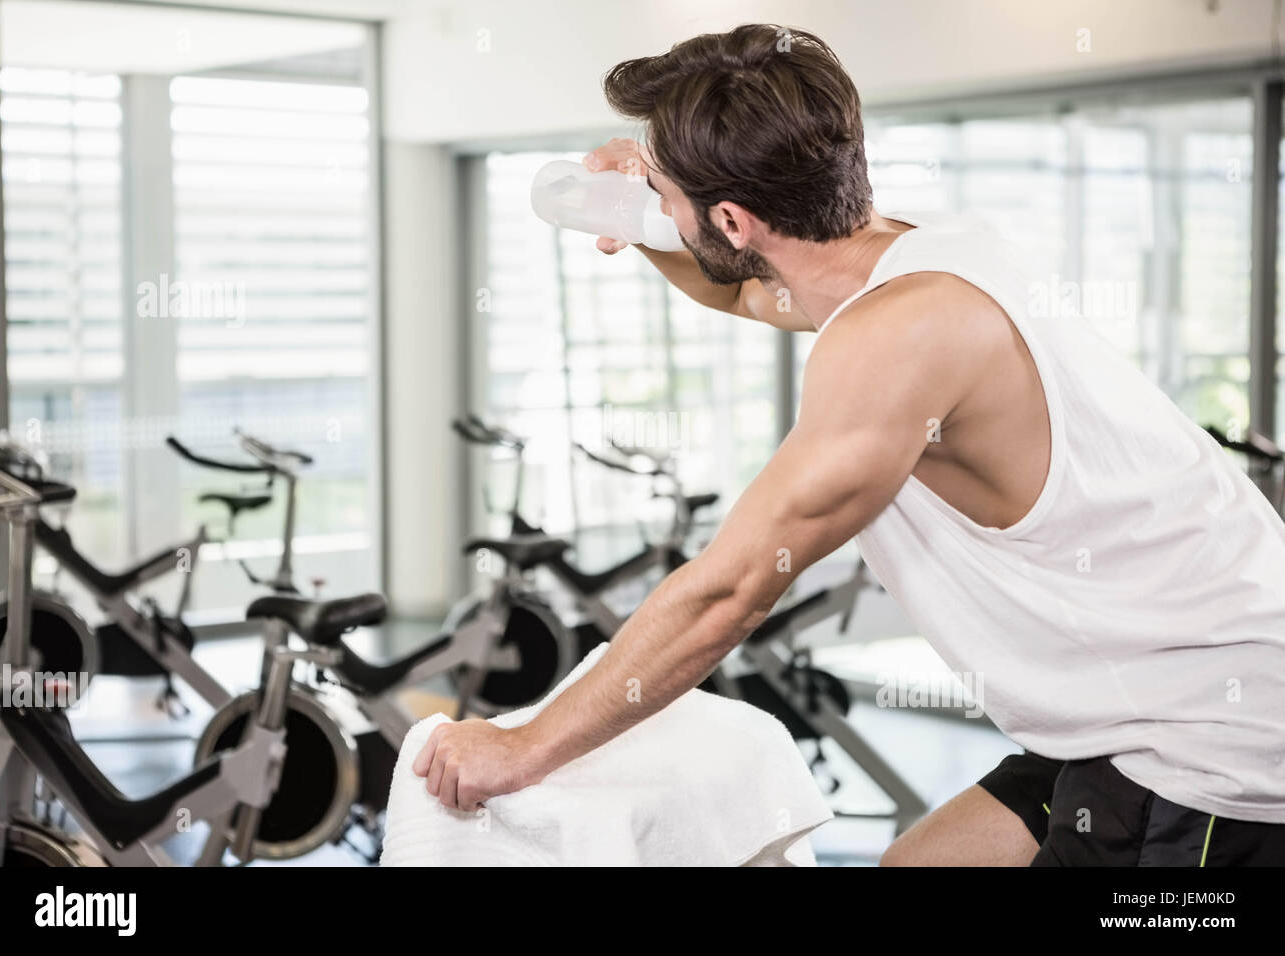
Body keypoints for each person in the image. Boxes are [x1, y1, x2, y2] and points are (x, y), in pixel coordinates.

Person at [414, 24, 1285, 865]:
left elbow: (734, 588)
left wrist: (522, 747)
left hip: (1211, 741)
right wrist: (645, 218)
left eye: (669, 200)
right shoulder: (914, 256)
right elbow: (745, 294)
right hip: (1131, 705)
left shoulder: (899, 338)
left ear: (731, 221)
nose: (659, 210)